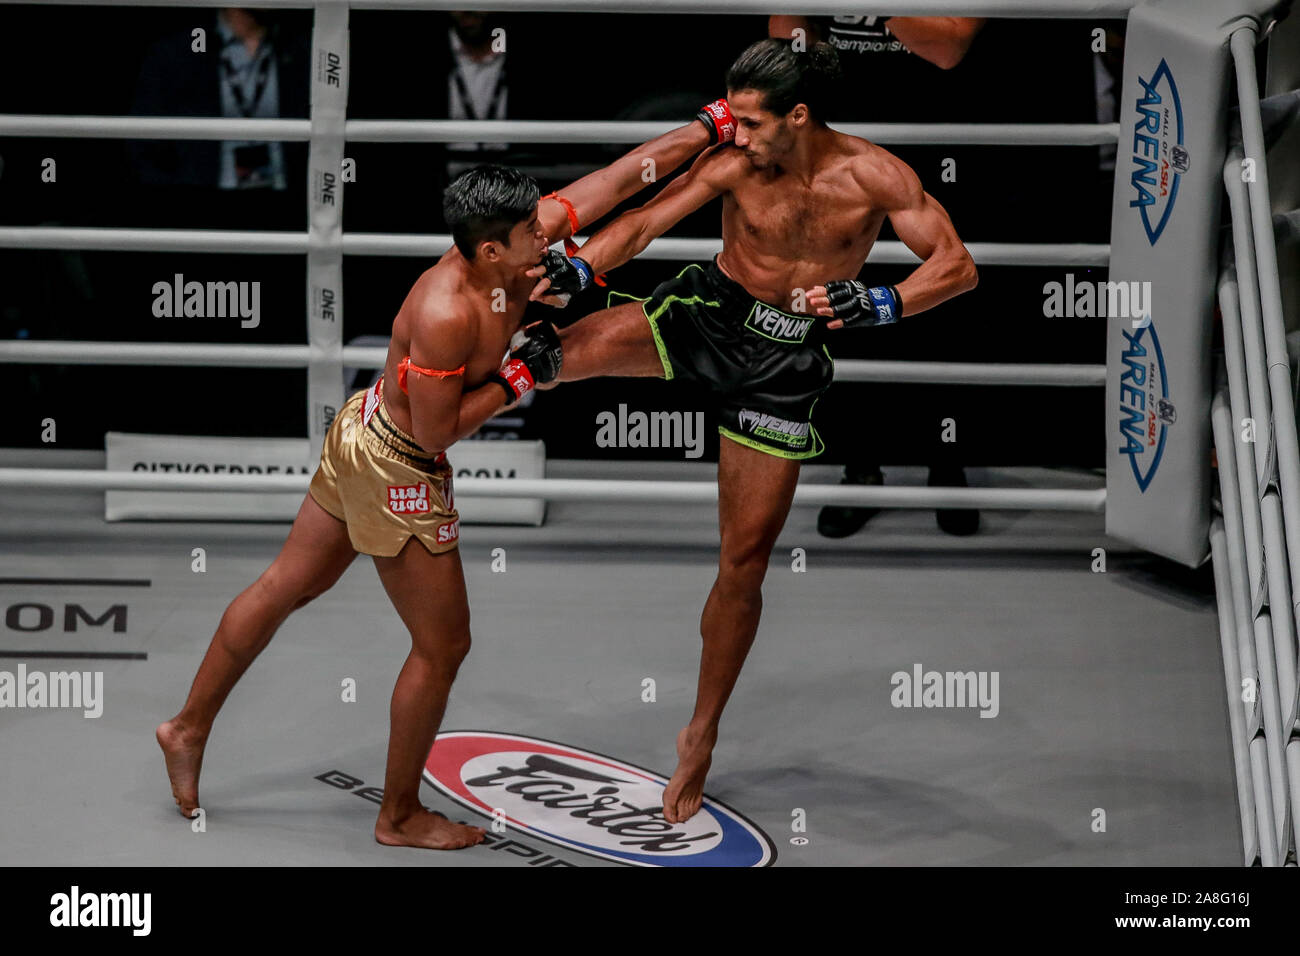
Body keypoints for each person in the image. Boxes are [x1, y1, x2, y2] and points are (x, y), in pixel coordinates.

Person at [156, 106, 731, 850]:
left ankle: (184, 726)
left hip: (364, 434)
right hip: (399, 465)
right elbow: (436, 432)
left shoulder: (507, 249)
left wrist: (706, 127)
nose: (547, 238)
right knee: (443, 645)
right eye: (531, 236)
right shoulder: (445, 313)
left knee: (287, 585)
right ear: (490, 251)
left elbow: (617, 181)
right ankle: (396, 815)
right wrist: (525, 375)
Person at [529, 38, 976, 822]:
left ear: (797, 117)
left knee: (744, 561)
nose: (731, 132)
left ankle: (700, 734)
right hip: (712, 314)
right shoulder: (736, 163)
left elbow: (955, 267)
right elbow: (645, 221)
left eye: (749, 121)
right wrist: (582, 268)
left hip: (784, 363)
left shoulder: (877, 175)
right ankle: (399, 452)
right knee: (542, 357)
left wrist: (883, 302)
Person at [770, 13, 986, 538]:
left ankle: (947, 467)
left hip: (939, 138)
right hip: (845, 136)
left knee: (941, 299)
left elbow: (949, 45)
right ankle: (860, 469)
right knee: (840, 299)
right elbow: (785, 37)